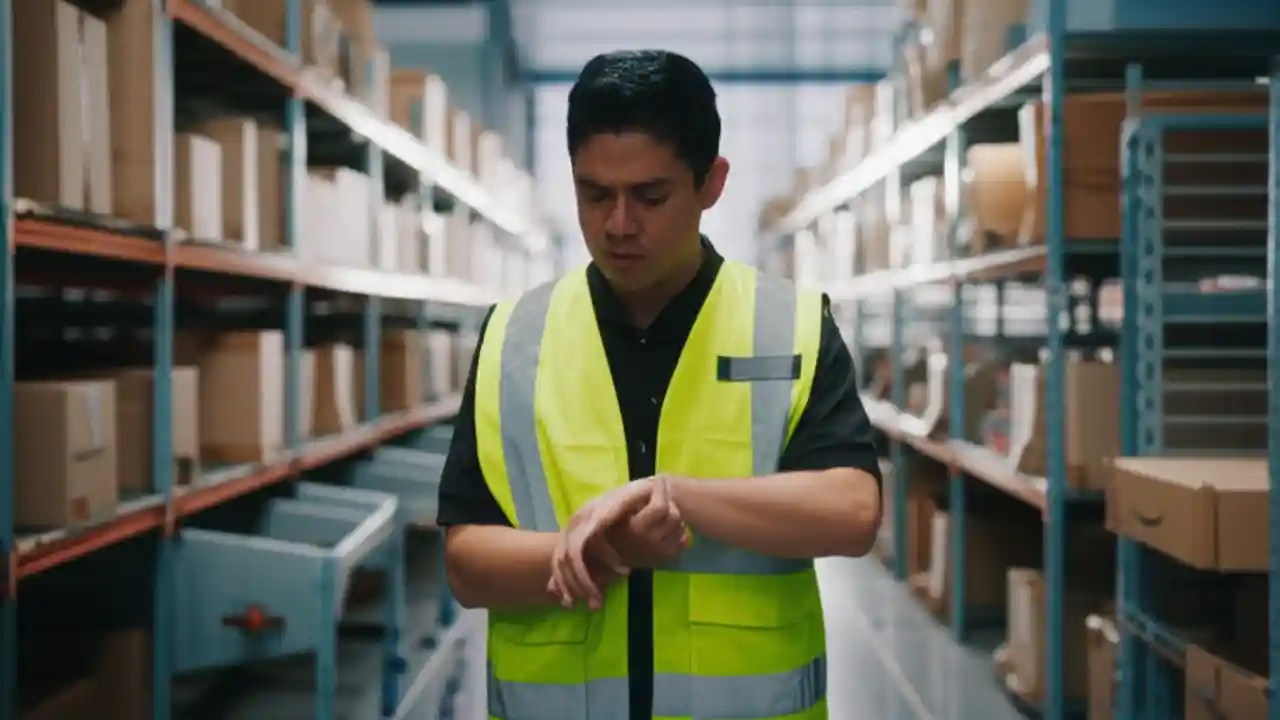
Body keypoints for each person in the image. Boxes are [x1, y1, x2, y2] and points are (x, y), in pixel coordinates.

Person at [436, 48, 883, 720]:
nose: (618, 224)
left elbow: (852, 512)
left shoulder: (790, 325)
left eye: (650, 196)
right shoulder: (513, 337)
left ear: (712, 182)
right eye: (594, 194)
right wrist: (597, 552)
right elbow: (467, 561)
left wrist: (678, 498)